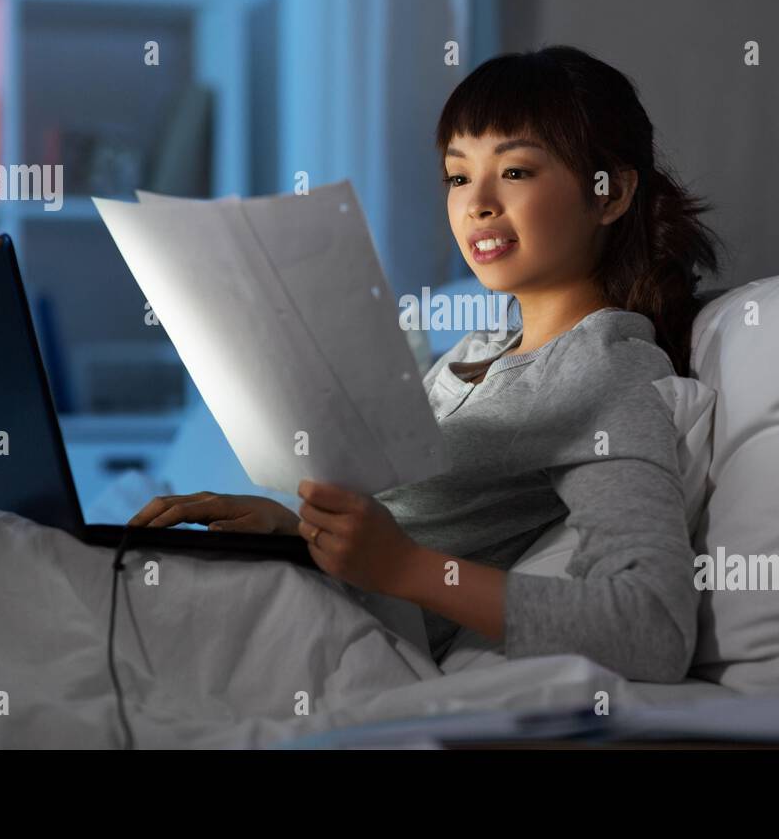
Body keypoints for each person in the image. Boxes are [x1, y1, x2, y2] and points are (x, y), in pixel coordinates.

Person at [128, 45, 727, 683]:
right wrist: (292, 531)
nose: (478, 203)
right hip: (314, 596)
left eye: (516, 171)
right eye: (458, 176)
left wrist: (406, 569)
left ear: (611, 193)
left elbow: (653, 627)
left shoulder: (608, 367)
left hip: (350, 648)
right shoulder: (480, 348)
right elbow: (406, 527)